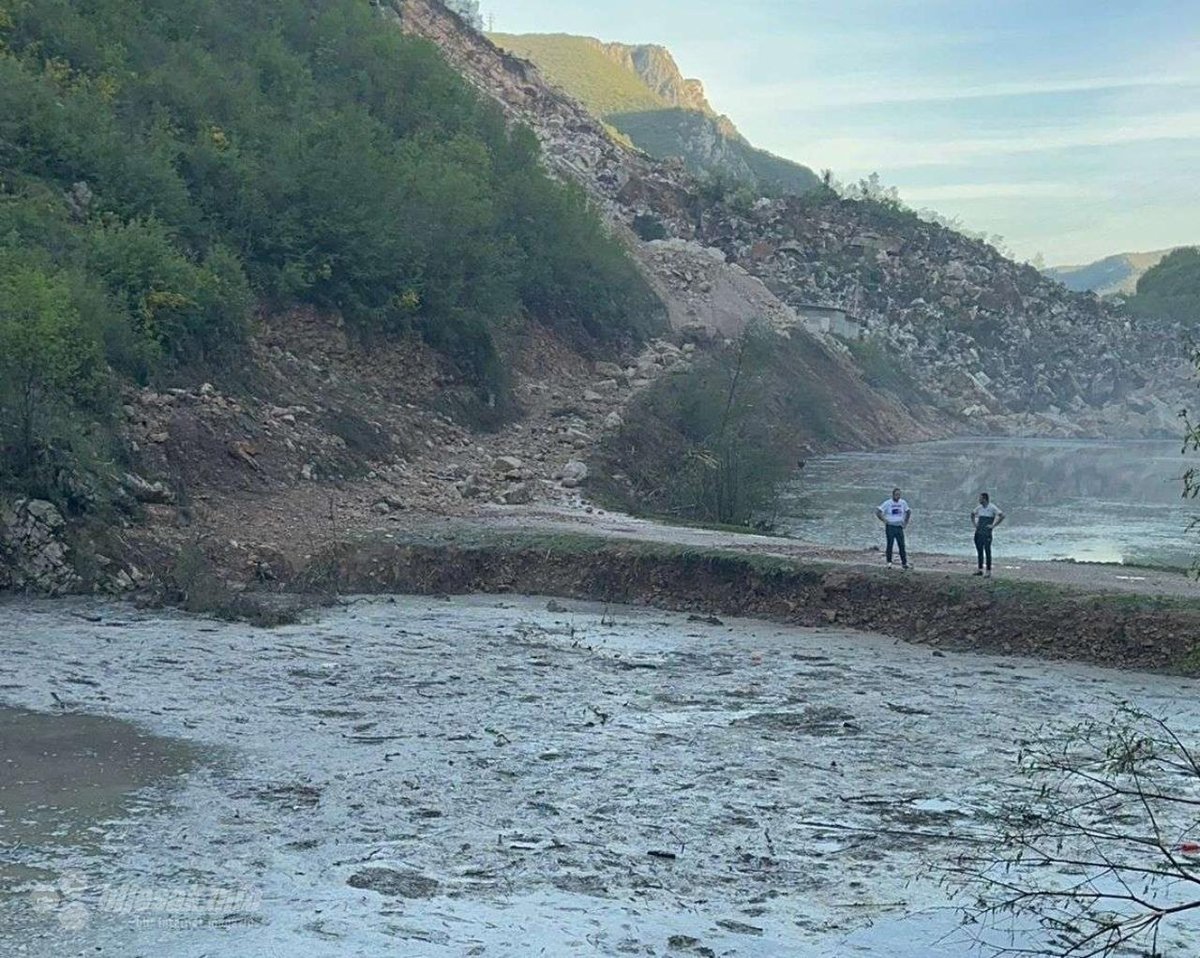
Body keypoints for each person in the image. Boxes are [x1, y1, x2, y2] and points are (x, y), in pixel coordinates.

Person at [971, 491, 1005, 577]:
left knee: (987, 551)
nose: (979, 500)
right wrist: (975, 524)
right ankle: (980, 569)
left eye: (980, 498)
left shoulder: (992, 507)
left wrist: (993, 525)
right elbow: (972, 514)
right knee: (979, 551)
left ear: (985, 499)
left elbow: (1002, 515)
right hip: (978, 532)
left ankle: (988, 571)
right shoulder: (979, 508)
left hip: (987, 532)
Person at [875, 487, 911, 569]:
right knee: (890, 544)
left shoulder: (903, 503)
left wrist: (905, 523)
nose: (898, 496)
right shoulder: (888, 503)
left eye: (899, 495)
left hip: (899, 526)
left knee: (901, 545)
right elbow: (878, 511)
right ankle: (889, 562)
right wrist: (884, 520)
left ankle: (904, 563)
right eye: (896, 495)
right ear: (893, 495)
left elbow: (908, 511)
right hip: (890, 526)